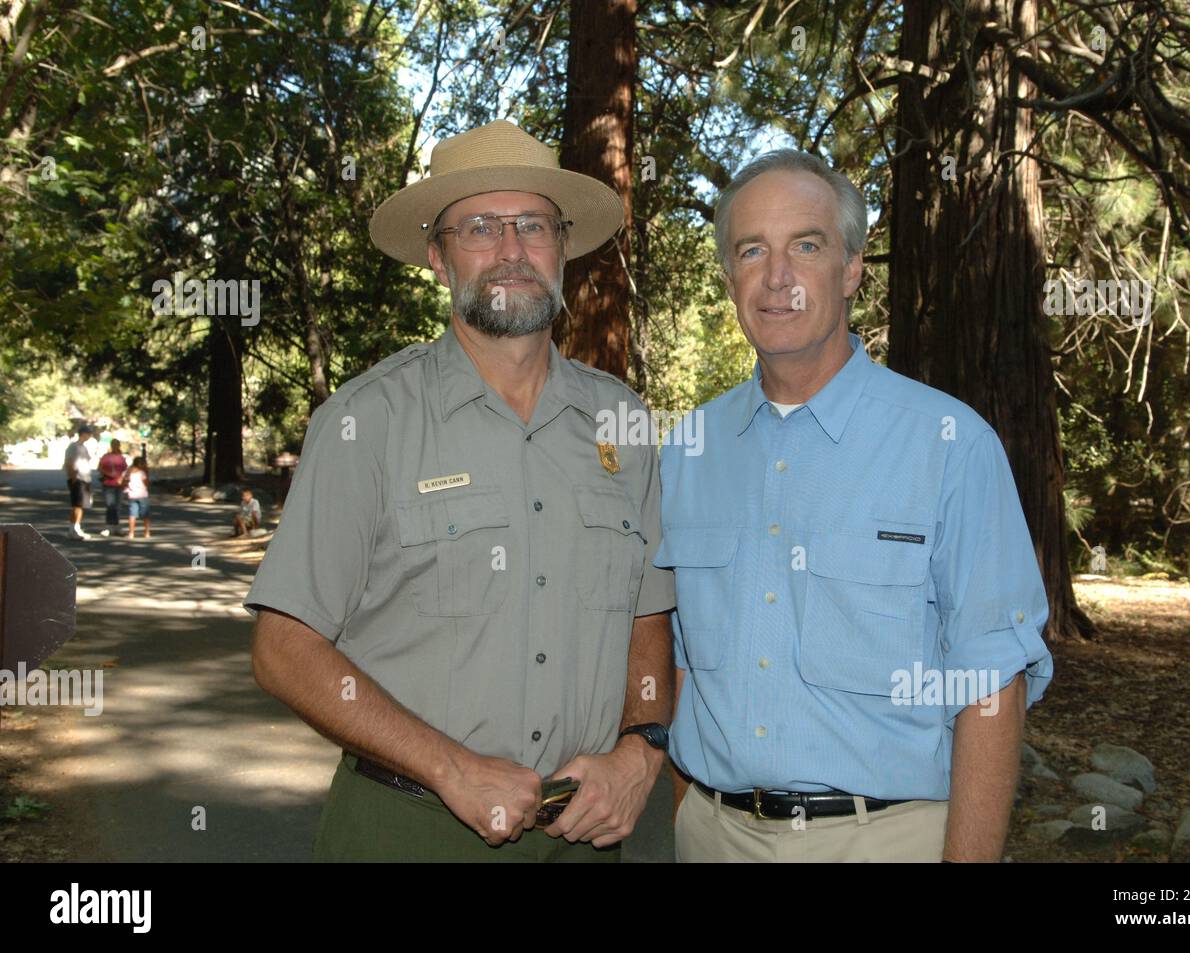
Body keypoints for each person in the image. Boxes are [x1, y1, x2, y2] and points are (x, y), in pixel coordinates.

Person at [244, 120, 676, 862]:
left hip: (590, 832)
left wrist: (641, 749)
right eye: (480, 227)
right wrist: (452, 767)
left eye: (532, 225)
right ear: (440, 259)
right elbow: (283, 647)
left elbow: (647, 617)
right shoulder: (365, 422)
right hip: (407, 829)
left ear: (562, 247)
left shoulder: (623, 422)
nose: (511, 250)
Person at [654, 149, 1054, 863]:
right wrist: (695, 817)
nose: (778, 276)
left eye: (806, 245)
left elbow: (992, 680)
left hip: (884, 840)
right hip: (712, 837)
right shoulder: (688, 451)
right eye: (753, 250)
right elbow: (682, 658)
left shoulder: (951, 445)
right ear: (729, 278)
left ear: (851, 270)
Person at [63, 425, 94, 540]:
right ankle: (74, 529)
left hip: (85, 478)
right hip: (77, 478)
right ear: (83, 434)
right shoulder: (73, 446)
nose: (90, 436)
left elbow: (88, 459)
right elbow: (69, 461)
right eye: (88, 433)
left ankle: (75, 527)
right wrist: (72, 477)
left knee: (81, 504)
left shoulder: (84, 447)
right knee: (77, 504)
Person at [98, 439, 129, 536]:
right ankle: (109, 526)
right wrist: (110, 475)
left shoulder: (121, 457)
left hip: (119, 484)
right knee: (110, 505)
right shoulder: (106, 457)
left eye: (117, 445)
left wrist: (123, 479)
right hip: (108, 484)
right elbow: (100, 468)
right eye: (114, 445)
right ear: (112, 445)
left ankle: (116, 526)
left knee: (118, 506)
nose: (116, 446)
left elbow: (125, 470)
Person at [125, 456, 151, 539]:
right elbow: (146, 483)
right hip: (142, 495)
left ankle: (131, 533)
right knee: (145, 515)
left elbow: (125, 481)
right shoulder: (142, 473)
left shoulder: (129, 472)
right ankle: (146, 532)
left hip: (132, 495)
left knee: (132, 514)